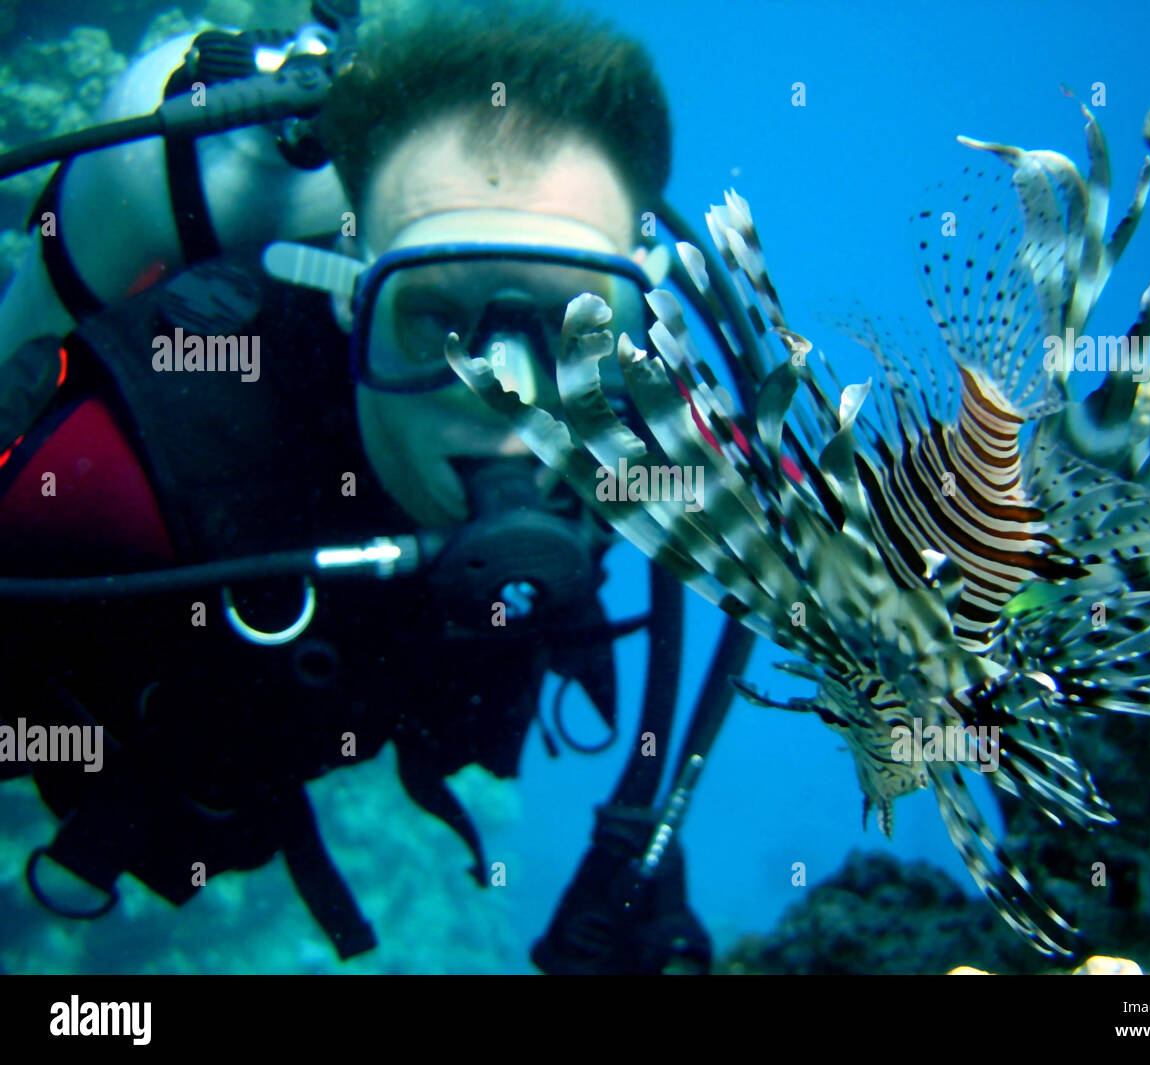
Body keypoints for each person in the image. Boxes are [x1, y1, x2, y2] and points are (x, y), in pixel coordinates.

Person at [0, 0, 747, 974]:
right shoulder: (126, 470)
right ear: (350, 299)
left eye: (572, 329)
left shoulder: (658, 448)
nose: (502, 400)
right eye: (435, 321)